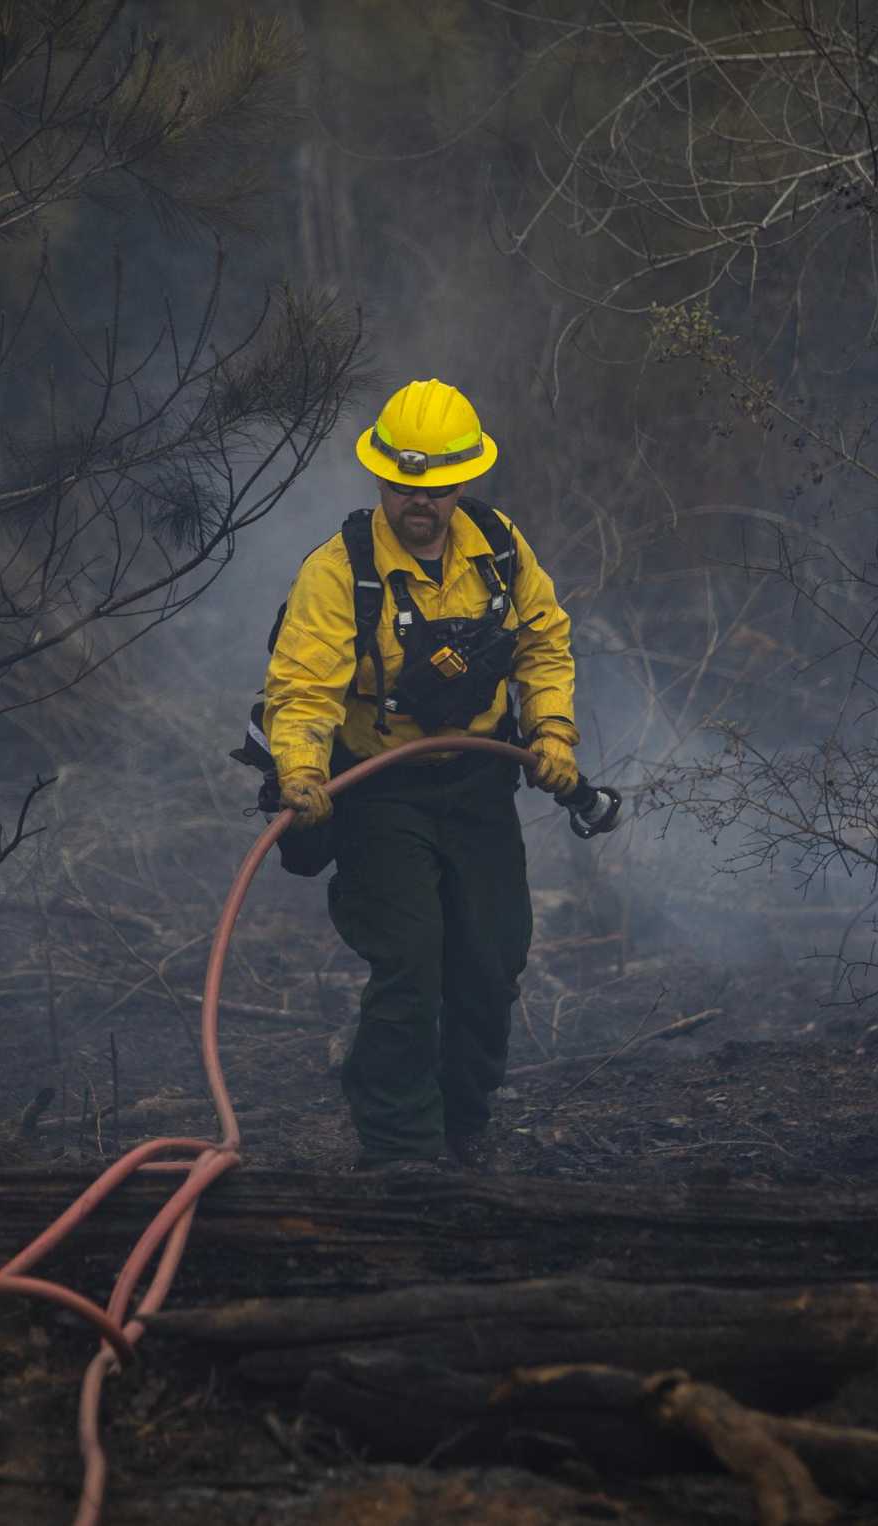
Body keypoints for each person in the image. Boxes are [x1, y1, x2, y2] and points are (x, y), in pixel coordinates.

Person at [261, 378, 580, 1173]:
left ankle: (463, 1127)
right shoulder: (341, 572)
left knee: (490, 954)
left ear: (461, 481)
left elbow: (543, 643)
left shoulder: (500, 551)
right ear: (380, 477)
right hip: (379, 788)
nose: (421, 502)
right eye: (406, 484)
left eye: (436, 487)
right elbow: (302, 687)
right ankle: (400, 1150)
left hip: (477, 784)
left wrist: (551, 732)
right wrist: (301, 772)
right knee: (410, 956)